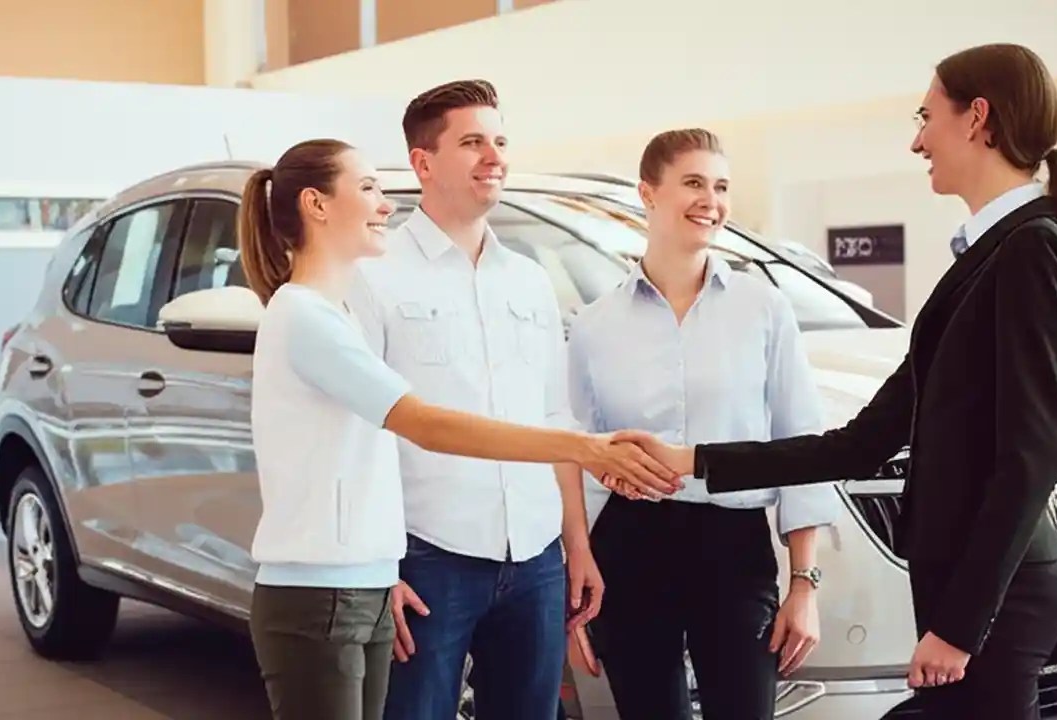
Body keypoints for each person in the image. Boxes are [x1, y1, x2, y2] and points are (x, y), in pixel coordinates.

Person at [605, 44, 1057, 719]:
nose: (917, 140)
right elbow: (858, 444)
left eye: (925, 115)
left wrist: (959, 628)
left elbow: (1029, 456)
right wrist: (691, 461)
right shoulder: (992, 255)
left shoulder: (1028, 248)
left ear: (977, 119)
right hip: (967, 590)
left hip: (994, 600)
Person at [238, 138, 677, 720]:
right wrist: (584, 447)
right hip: (321, 595)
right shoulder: (302, 317)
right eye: (367, 188)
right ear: (317, 205)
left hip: (358, 586)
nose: (385, 205)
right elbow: (423, 424)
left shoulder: (334, 314)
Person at [345, 79, 616, 720]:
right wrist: (378, 567)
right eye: (472, 142)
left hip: (536, 556)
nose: (493, 156)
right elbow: (359, 435)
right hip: (425, 556)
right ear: (423, 162)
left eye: (499, 141)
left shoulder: (527, 278)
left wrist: (575, 545)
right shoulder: (372, 275)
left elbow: (556, 420)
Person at [567, 128, 840, 720]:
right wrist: (574, 583)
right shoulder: (593, 327)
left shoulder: (763, 309)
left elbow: (802, 444)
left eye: (720, 186)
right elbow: (576, 462)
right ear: (648, 192)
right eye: (692, 183)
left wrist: (805, 584)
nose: (710, 200)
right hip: (629, 549)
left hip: (734, 549)